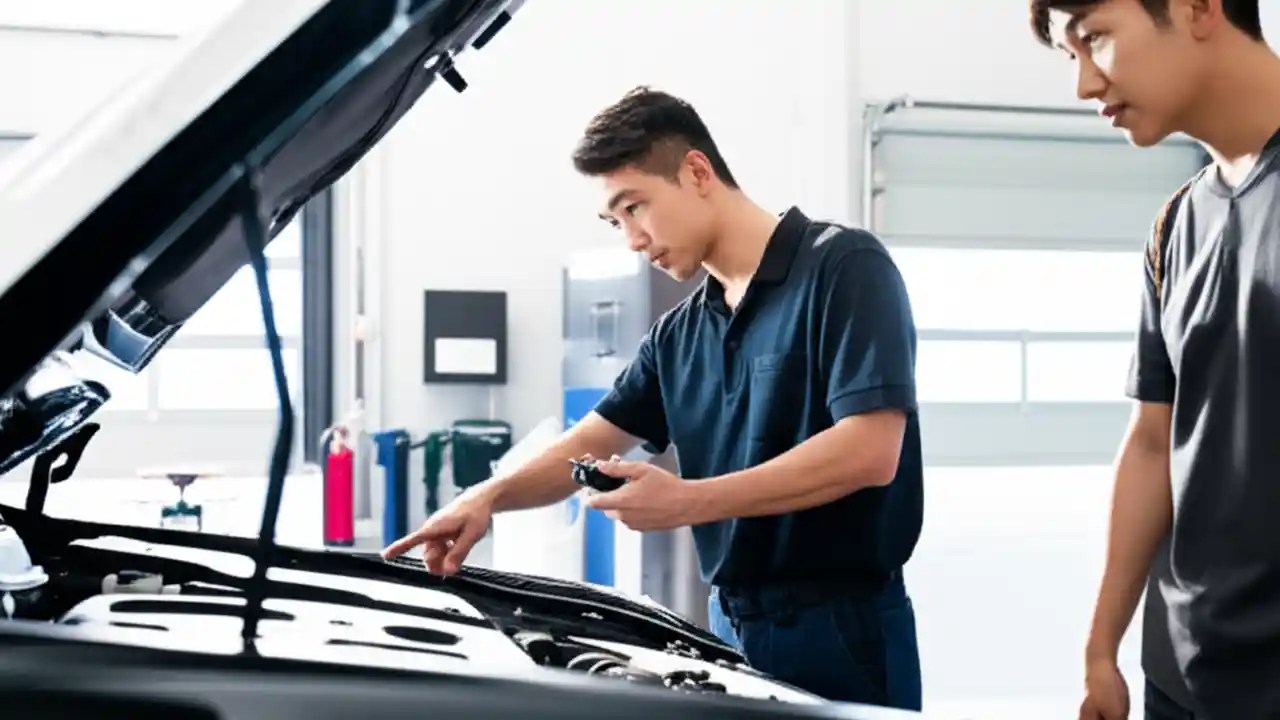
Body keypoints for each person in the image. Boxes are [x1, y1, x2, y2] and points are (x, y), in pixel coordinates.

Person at [382, 86, 925, 709]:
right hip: (731, 626)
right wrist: (487, 498)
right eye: (616, 222)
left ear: (696, 172)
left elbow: (869, 450)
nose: (633, 240)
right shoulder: (678, 334)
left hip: (841, 629)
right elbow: (591, 439)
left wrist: (689, 502)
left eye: (635, 207)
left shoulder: (844, 267)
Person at [1030, 1, 1280, 718]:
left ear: (1198, 7)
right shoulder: (1174, 225)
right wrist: (1100, 649)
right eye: (1068, 54)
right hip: (1180, 677)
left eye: (1096, 39)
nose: (1083, 84)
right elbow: (1151, 443)